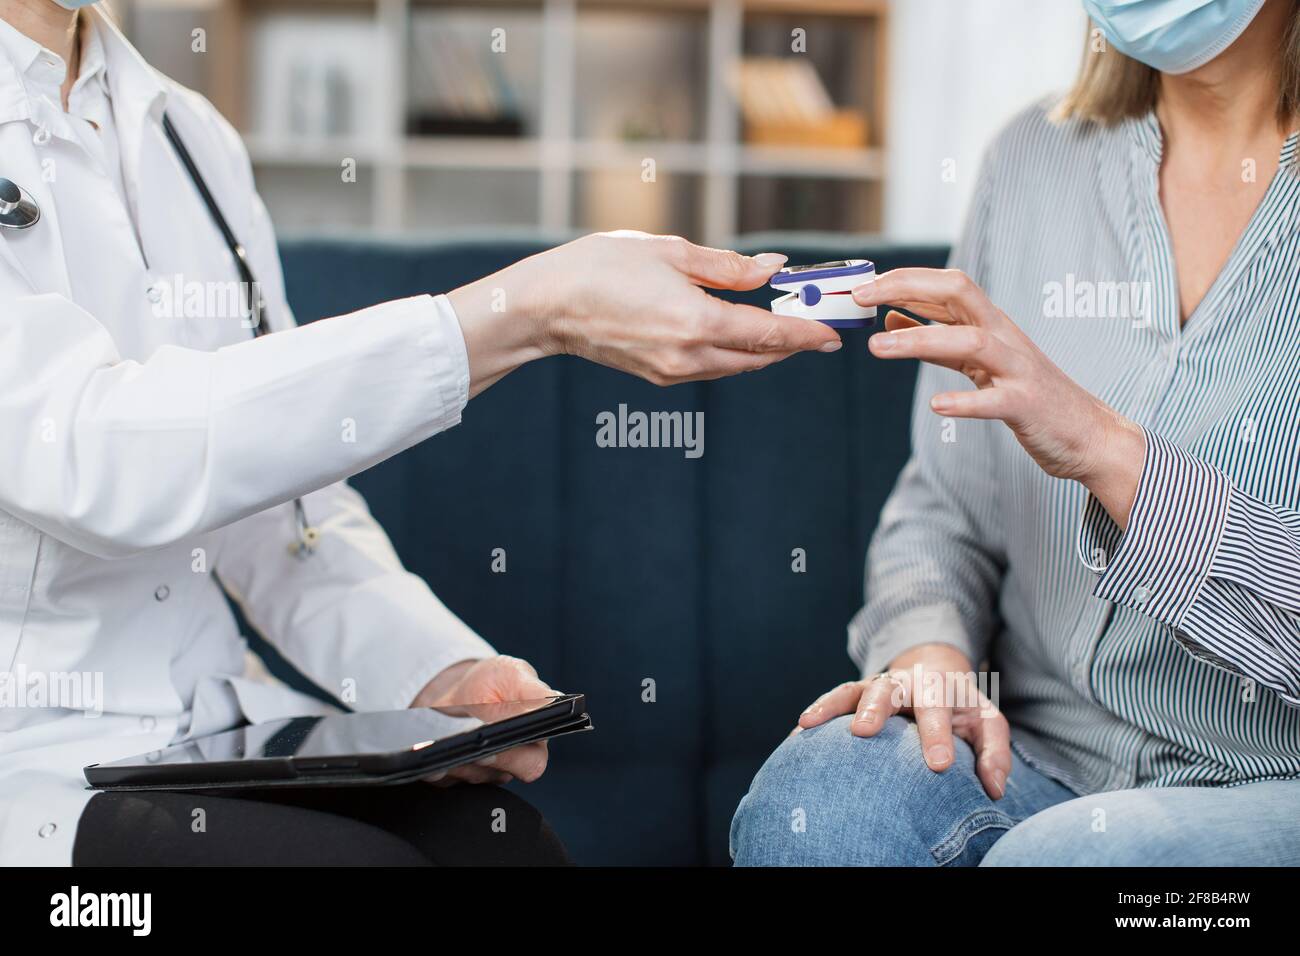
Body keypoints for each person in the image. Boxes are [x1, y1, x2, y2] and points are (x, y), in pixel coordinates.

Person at [0, 0, 843, 866]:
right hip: (31, 768)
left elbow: (281, 514)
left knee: (502, 845)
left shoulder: (188, 134)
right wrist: (527, 312)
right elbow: (97, 456)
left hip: (202, 739)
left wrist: (435, 674)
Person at [732, 0, 1300, 866]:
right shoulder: (1031, 159)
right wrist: (929, 653)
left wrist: (1113, 456)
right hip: (1039, 759)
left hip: (1266, 783)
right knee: (823, 791)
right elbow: (942, 509)